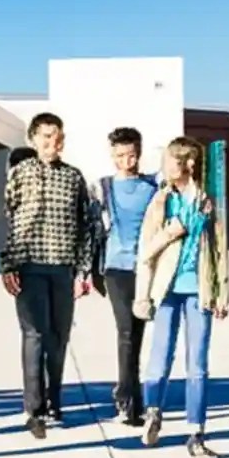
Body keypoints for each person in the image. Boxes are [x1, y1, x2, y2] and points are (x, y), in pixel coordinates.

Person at [133, 137, 229, 458]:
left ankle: (197, 433)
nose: (165, 166)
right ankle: (153, 414)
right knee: (160, 356)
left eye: (171, 160)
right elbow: (145, 251)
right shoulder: (161, 201)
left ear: (188, 164)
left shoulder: (207, 202)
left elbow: (219, 250)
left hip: (199, 289)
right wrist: (173, 231)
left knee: (198, 364)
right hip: (167, 289)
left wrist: (222, 292)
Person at [0, 112, 94, 440]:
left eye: (57, 137)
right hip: (29, 267)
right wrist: (8, 265)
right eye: (46, 136)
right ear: (32, 139)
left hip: (62, 267)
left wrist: (83, 270)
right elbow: (11, 221)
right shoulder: (20, 174)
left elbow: (86, 225)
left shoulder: (74, 177)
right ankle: (34, 408)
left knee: (58, 337)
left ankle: (55, 399)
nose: (52, 143)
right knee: (34, 335)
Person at [90, 127, 159, 426]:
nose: (126, 161)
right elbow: (91, 228)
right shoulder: (103, 188)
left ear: (139, 154)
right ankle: (128, 401)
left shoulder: (153, 186)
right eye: (119, 156)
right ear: (112, 156)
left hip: (145, 267)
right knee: (126, 332)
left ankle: (132, 396)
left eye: (131, 155)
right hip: (116, 267)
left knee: (138, 332)